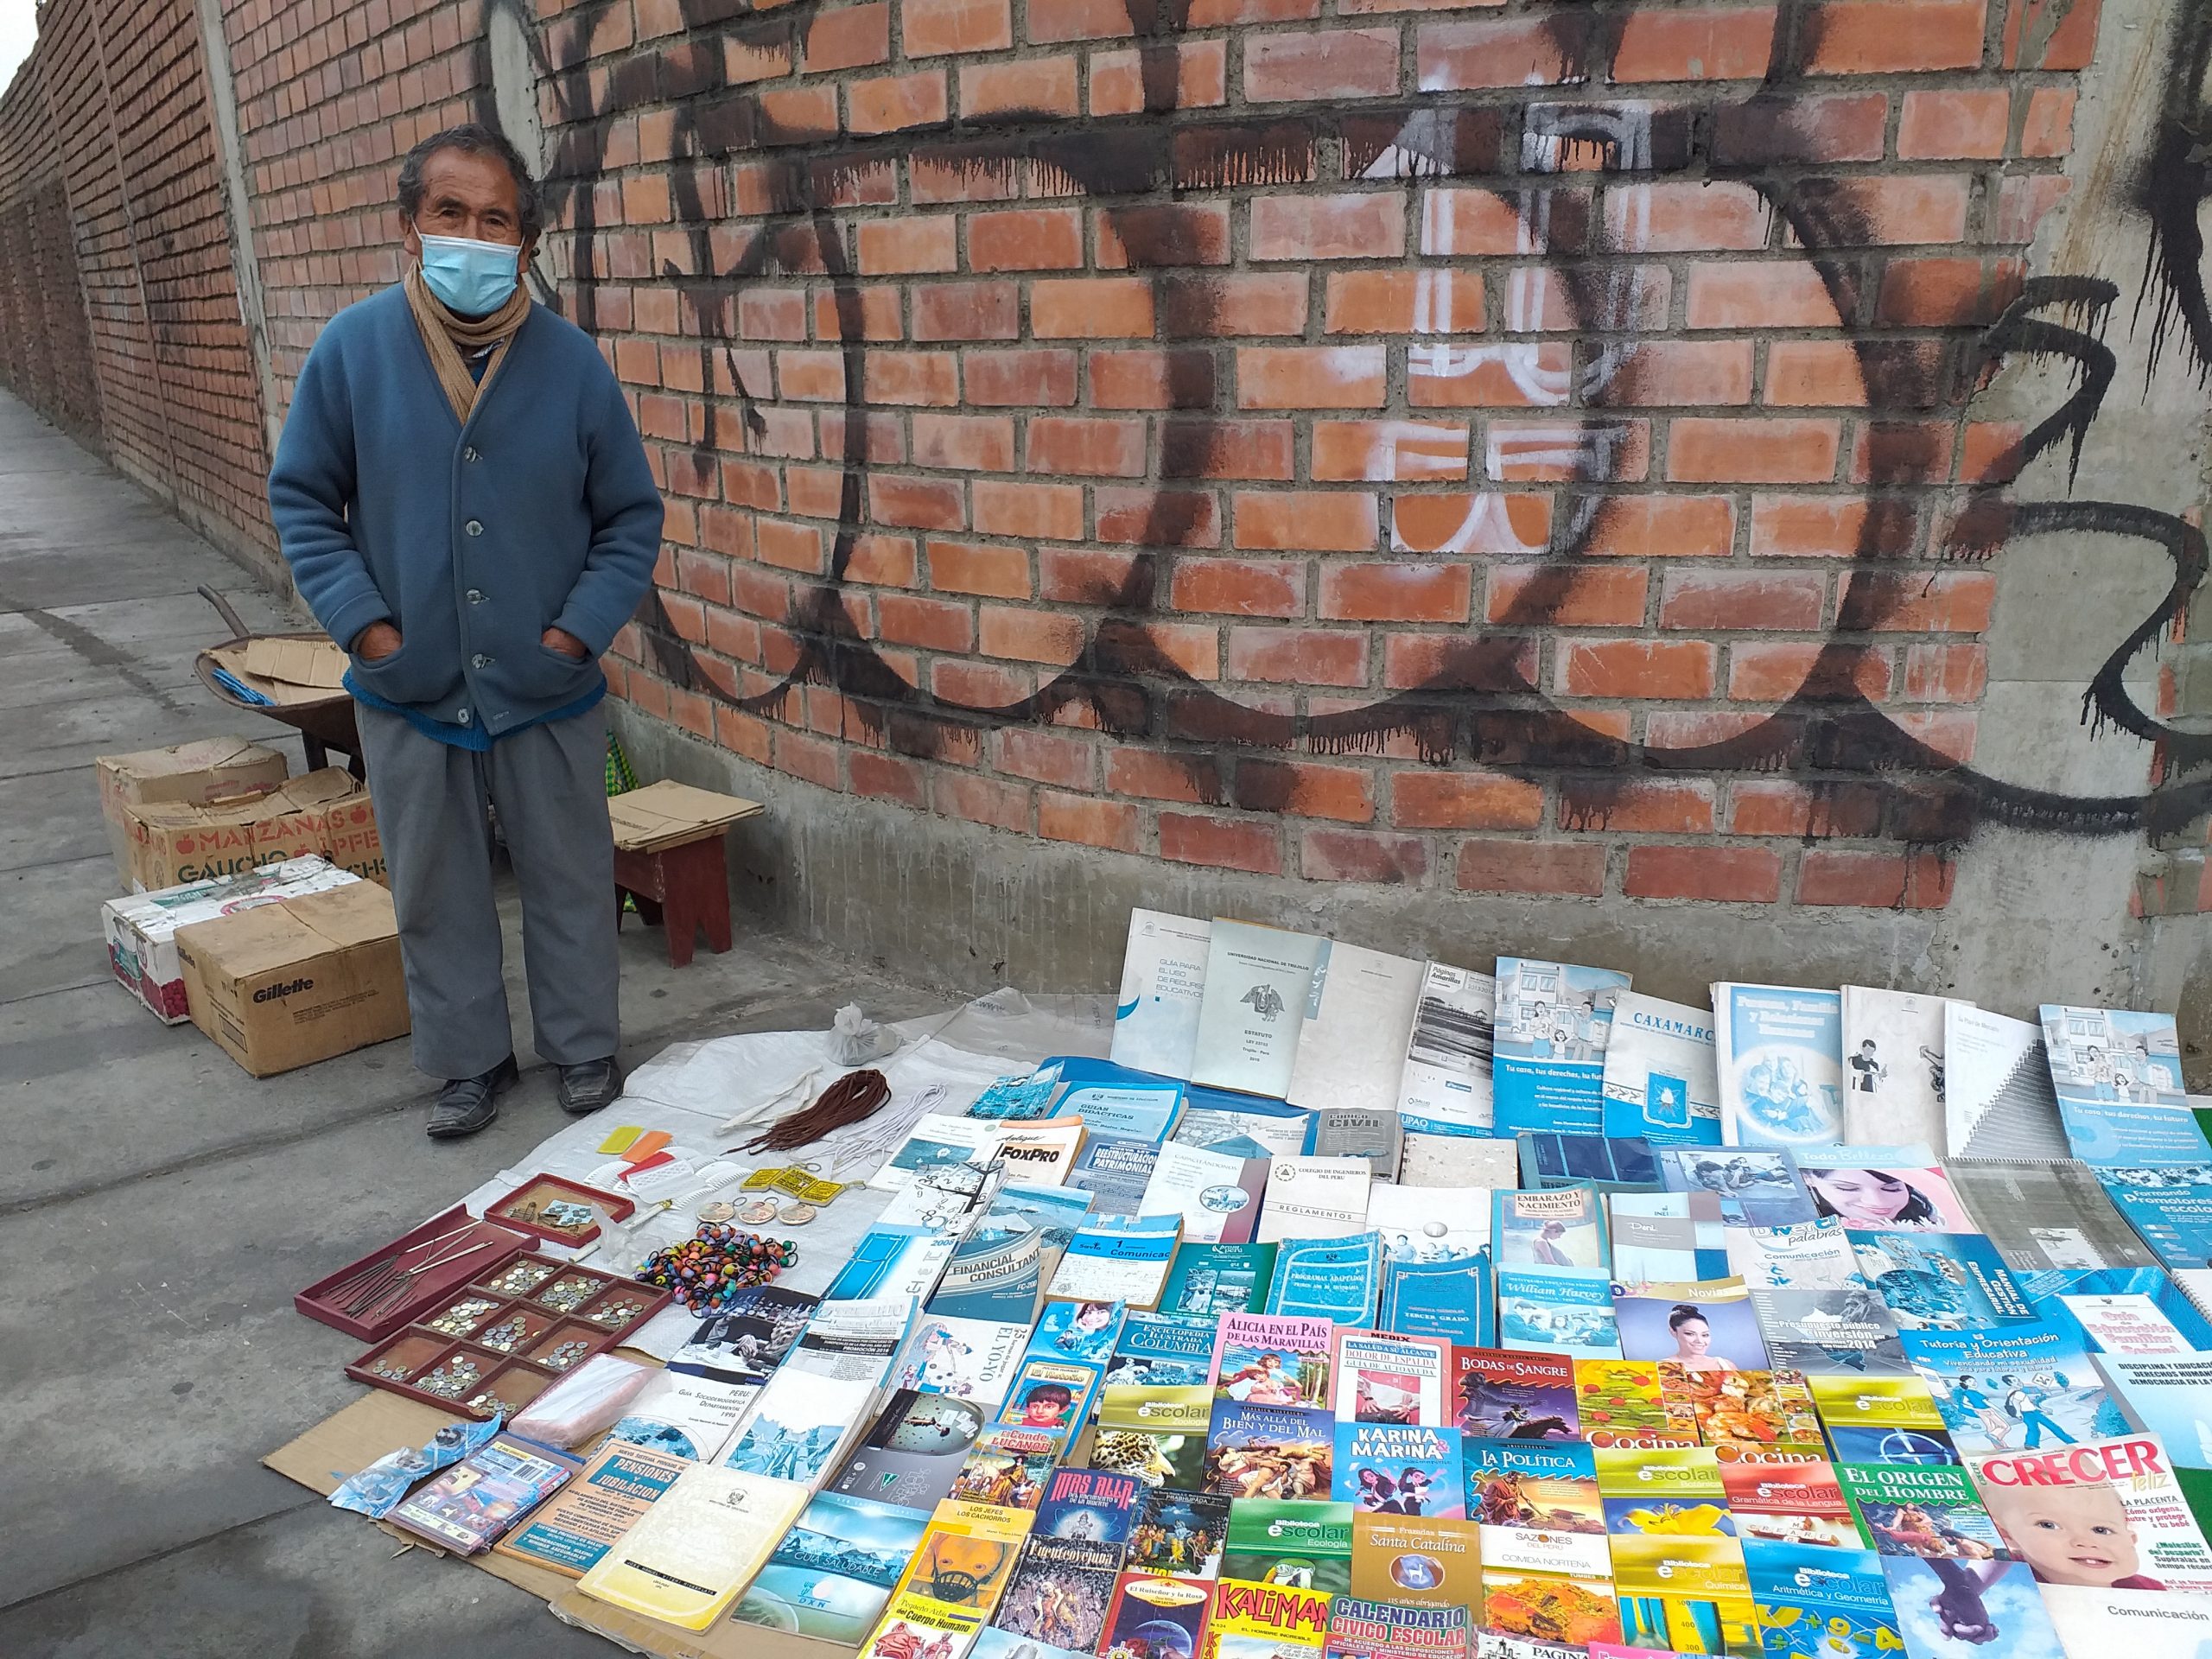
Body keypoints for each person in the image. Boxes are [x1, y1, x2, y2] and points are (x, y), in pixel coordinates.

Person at [269, 124, 663, 1139]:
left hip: (546, 684)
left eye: (496, 219)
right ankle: (467, 1061)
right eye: (450, 212)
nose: (471, 236)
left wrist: (574, 636)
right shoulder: (354, 352)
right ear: (411, 225)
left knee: (571, 877)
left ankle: (582, 1047)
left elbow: (628, 517)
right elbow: (305, 500)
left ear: (525, 244)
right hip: (410, 689)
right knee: (435, 887)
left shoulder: (569, 362)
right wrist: (367, 632)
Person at [1980, 1478, 2164, 1588]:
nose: (2085, 1542)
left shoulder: (2148, 1589)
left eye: (2101, 1530)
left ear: (2131, 1539)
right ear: (2006, 1534)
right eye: (2049, 1525)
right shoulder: (2013, 1571)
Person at [1802, 1167, 1942, 1229]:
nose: (1877, 1202)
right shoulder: (1800, 1221)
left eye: (1892, 1189)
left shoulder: (1931, 1218)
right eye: (1848, 1188)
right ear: (1808, 1178)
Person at [1668, 1304, 1738, 1373]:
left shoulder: (1726, 1365)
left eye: (1705, 1335)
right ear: (1673, 1332)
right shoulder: (1665, 1367)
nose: (1700, 1341)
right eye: (1690, 1334)